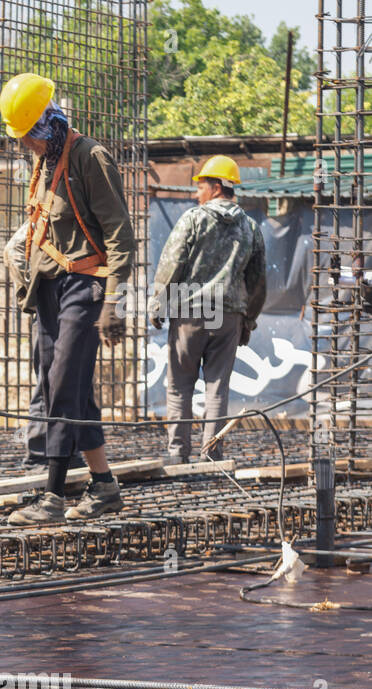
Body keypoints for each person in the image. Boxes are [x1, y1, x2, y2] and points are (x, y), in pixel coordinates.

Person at [0, 73, 135, 525]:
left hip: (85, 289)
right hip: (53, 293)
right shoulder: (45, 163)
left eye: (28, 137)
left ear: (47, 126)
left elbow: (120, 236)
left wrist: (112, 303)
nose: (24, 146)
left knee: (60, 388)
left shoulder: (88, 157)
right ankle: (104, 487)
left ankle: (52, 497)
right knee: (71, 389)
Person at [149, 155, 266, 462]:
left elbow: (172, 264)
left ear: (216, 188)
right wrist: (247, 322)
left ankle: (177, 454)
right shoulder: (251, 227)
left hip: (190, 313)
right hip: (229, 318)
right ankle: (211, 456)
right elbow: (257, 282)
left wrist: (158, 303)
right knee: (217, 388)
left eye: (200, 186)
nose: (196, 193)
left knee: (179, 386)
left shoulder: (193, 219)